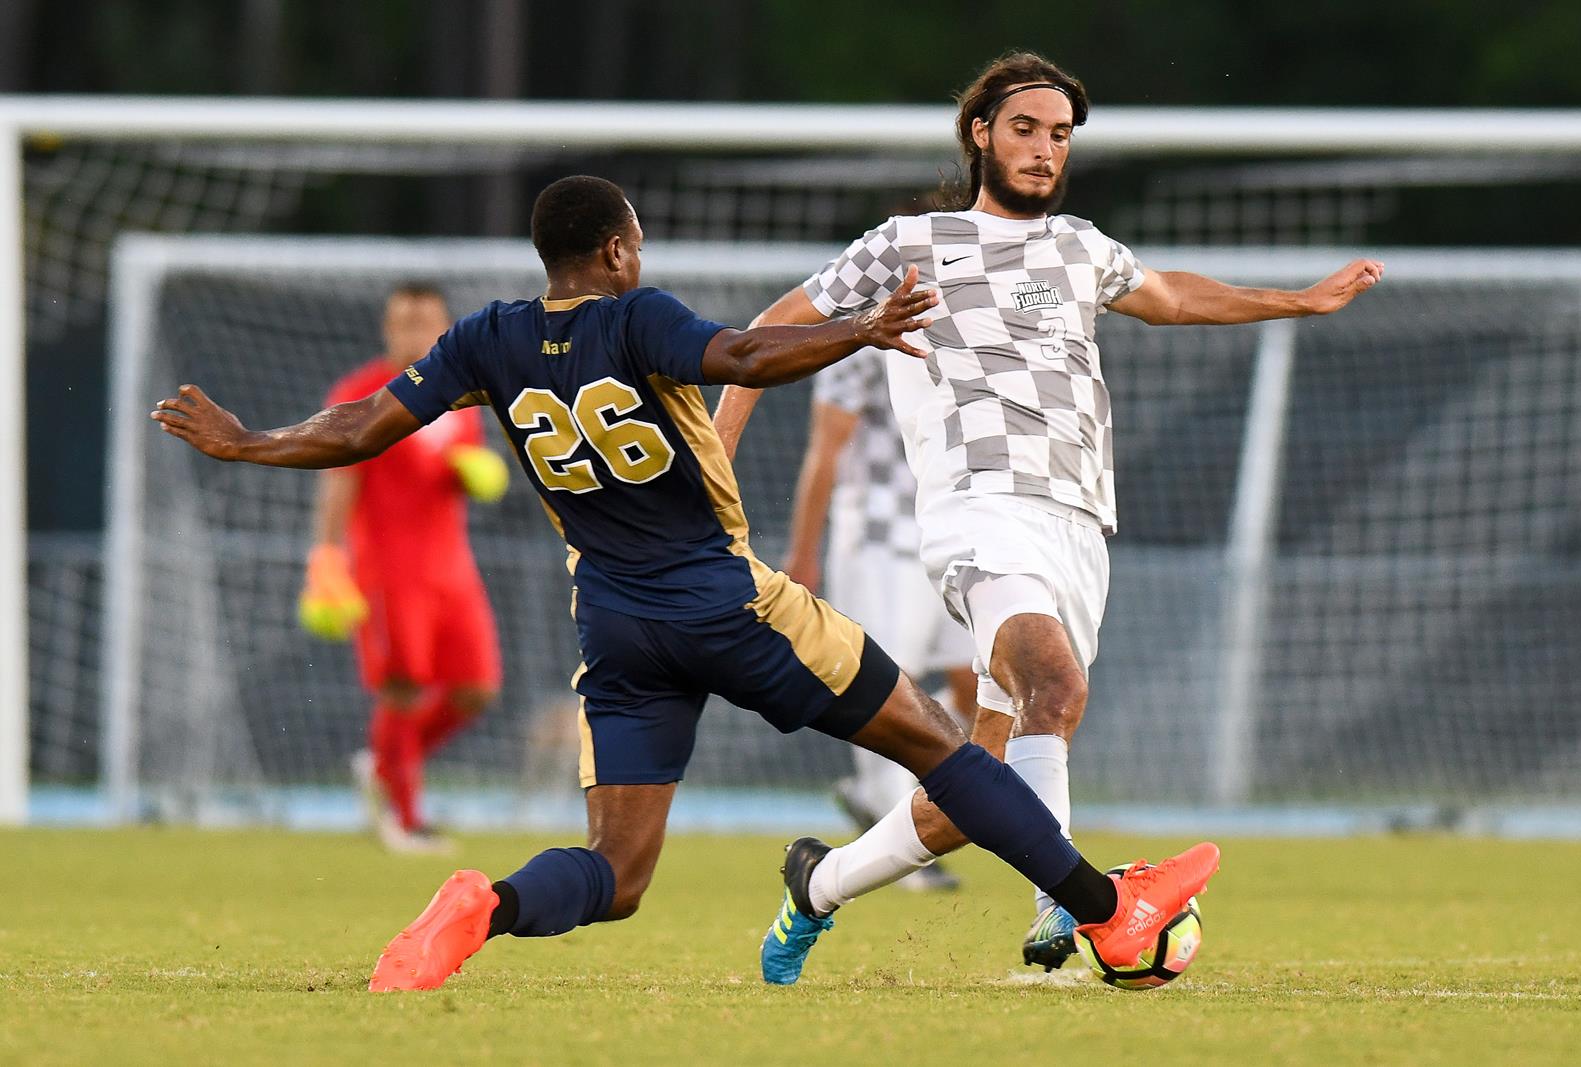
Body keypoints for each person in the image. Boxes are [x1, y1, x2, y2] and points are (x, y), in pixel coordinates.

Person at [152, 174, 1219, 993]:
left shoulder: (487, 338)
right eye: (636, 243)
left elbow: (361, 425)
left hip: (614, 626)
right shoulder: (637, 315)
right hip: (726, 600)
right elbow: (748, 356)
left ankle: (487, 904)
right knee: (938, 741)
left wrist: (249, 443)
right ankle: (1103, 909)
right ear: (615, 249)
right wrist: (860, 326)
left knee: (614, 874)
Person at [713, 50, 1381, 982]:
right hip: (976, 513)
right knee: (1055, 687)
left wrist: (1297, 301)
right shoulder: (910, 239)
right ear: (981, 133)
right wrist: (716, 464)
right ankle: (1069, 911)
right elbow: (762, 336)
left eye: (1059, 134)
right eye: (1025, 128)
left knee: (977, 783)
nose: (1043, 148)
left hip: (1077, 522)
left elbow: (1175, 295)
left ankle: (815, 886)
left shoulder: (1081, 246)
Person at [299, 283, 509, 854]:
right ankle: (404, 816)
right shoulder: (362, 393)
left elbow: (456, 462)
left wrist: (472, 469)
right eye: (402, 324)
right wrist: (325, 555)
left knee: (476, 691)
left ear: (443, 329)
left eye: (425, 324)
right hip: (391, 572)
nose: (413, 335)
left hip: (453, 572)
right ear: (387, 329)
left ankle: (386, 766)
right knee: (404, 690)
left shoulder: (462, 394)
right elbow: (339, 477)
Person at [786, 348, 978, 891]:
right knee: (894, 683)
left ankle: (879, 793)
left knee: (979, 682)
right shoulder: (860, 345)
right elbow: (825, 448)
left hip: (954, 533)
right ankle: (896, 834)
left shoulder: (961, 325)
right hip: (881, 541)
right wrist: (805, 551)